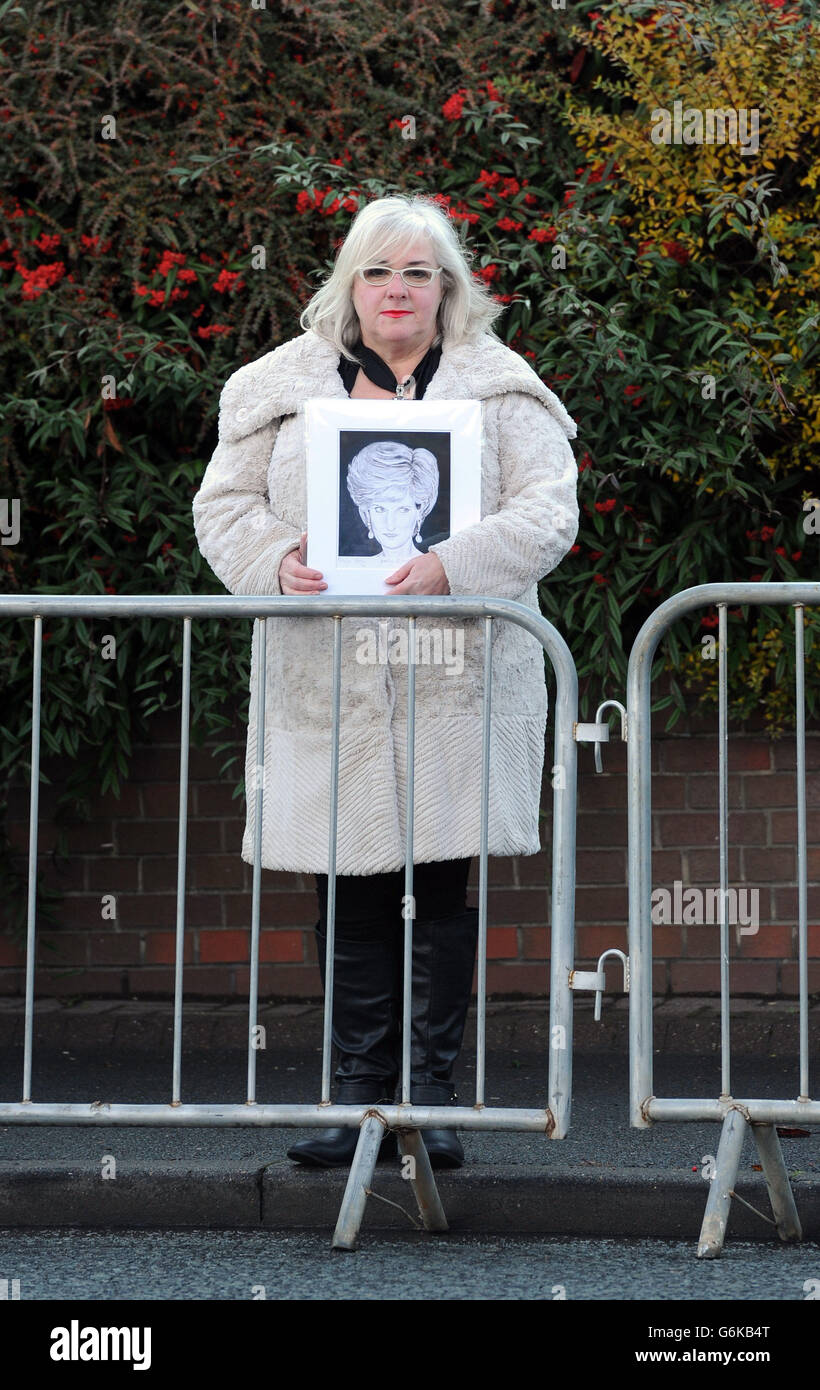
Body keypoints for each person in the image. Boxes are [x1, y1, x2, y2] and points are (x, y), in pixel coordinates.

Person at [191, 192, 579, 1168]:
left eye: (416, 271)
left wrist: (458, 560)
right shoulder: (278, 386)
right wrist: (278, 558)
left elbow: (547, 513)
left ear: (446, 286)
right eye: (377, 270)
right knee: (345, 888)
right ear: (348, 283)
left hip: (453, 677)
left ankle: (428, 1101)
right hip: (325, 682)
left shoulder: (500, 389)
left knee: (435, 886)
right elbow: (222, 506)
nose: (395, 289)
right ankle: (358, 1099)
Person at [344, 439, 439, 563]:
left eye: (403, 510)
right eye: (380, 509)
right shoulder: (350, 568)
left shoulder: (437, 572)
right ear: (367, 512)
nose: (390, 525)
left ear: (419, 512)